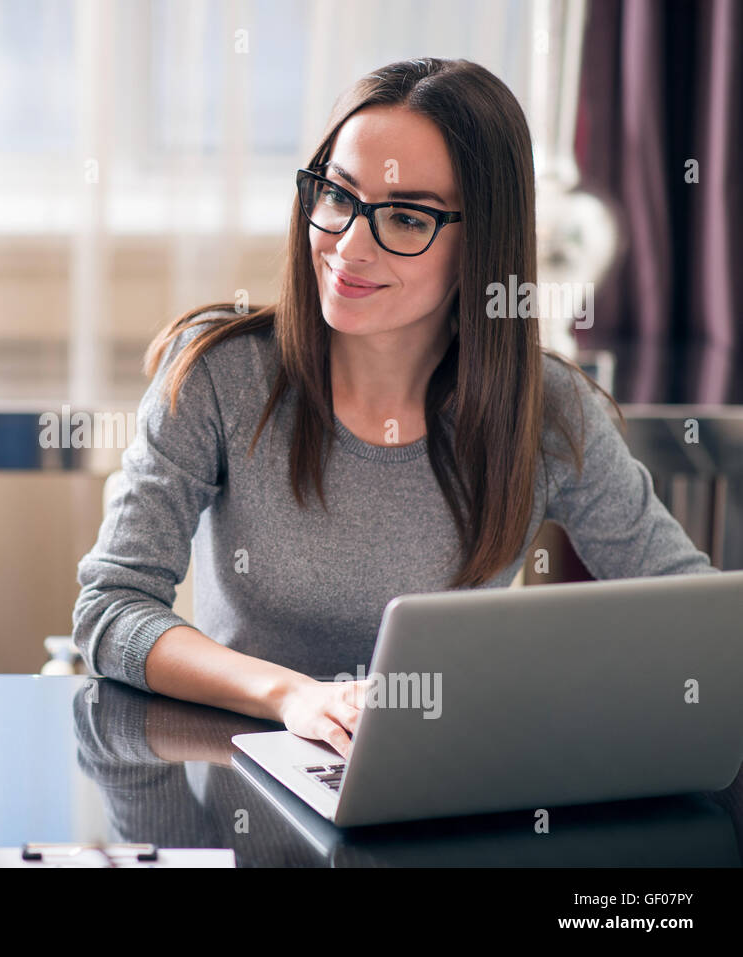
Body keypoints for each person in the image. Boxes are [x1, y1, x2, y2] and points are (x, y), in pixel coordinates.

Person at [72, 58, 718, 761]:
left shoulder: (547, 410)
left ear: (482, 244)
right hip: (250, 782)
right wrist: (294, 696)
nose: (348, 245)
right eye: (338, 195)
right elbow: (111, 609)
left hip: (446, 790)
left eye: (407, 217)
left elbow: (693, 615)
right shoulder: (219, 375)